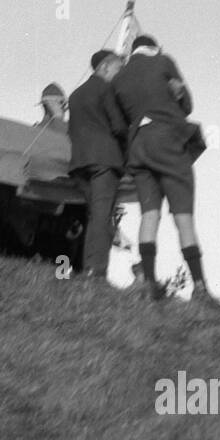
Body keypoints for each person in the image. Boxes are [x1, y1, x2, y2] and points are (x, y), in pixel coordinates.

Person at [111, 34, 220, 306]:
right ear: (154, 48)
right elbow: (186, 103)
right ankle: (200, 286)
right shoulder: (163, 61)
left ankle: (148, 282)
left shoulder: (120, 77)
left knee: (149, 215)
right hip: (169, 142)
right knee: (183, 218)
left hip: (139, 145)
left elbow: (119, 121)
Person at [67, 49, 128, 280]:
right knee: (102, 217)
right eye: (117, 69)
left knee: (94, 215)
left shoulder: (75, 94)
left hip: (79, 162)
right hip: (104, 160)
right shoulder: (107, 90)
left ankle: (88, 269)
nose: (119, 75)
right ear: (104, 67)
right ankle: (96, 271)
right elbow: (119, 127)